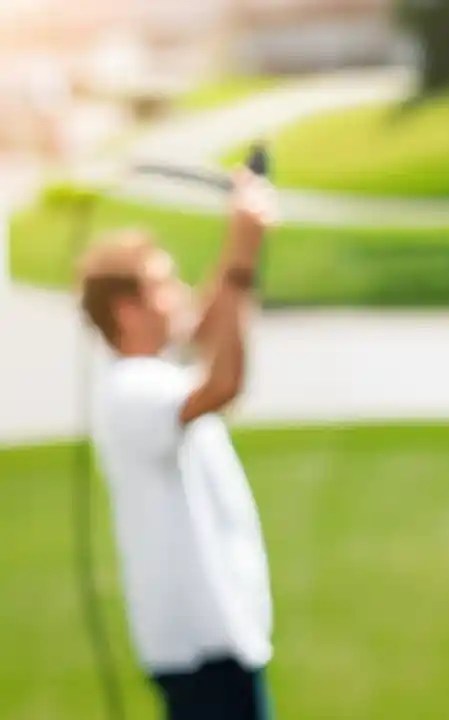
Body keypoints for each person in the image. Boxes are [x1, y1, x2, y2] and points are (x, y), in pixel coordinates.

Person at [79, 170, 278, 719]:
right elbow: (224, 384)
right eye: (163, 285)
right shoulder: (132, 389)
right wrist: (240, 256)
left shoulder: (152, 375)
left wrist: (245, 244)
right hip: (199, 646)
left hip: (211, 641)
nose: (181, 294)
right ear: (128, 311)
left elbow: (209, 327)